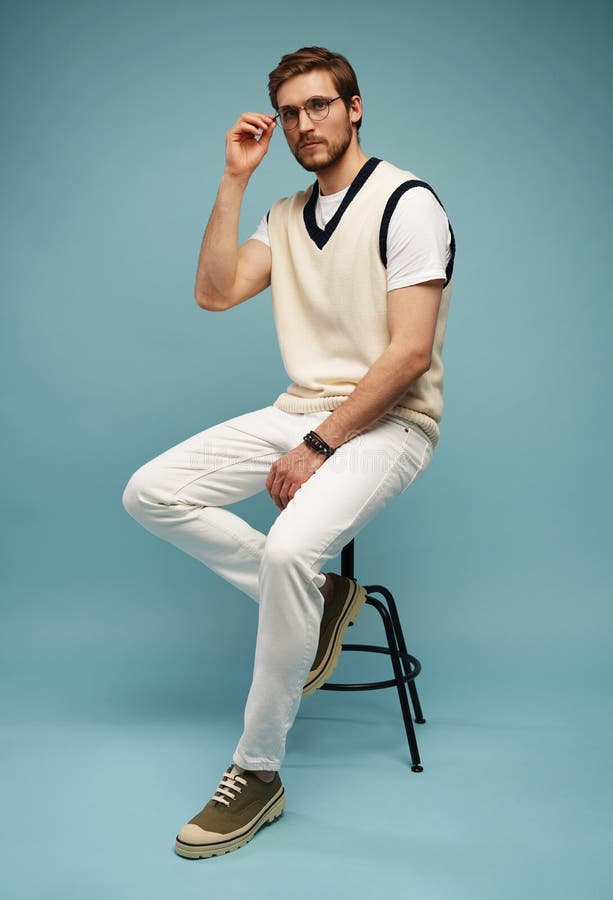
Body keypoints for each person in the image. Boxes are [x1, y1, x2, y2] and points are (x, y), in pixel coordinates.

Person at [122, 45, 456, 859]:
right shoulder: (281, 212)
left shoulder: (405, 204)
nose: (306, 123)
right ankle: (321, 605)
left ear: (354, 107)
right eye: (292, 111)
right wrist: (234, 179)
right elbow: (214, 293)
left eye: (320, 105)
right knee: (150, 491)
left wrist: (318, 445)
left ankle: (258, 772)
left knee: (289, 552)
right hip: (301, 410)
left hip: (391, 424)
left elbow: (408, 354)